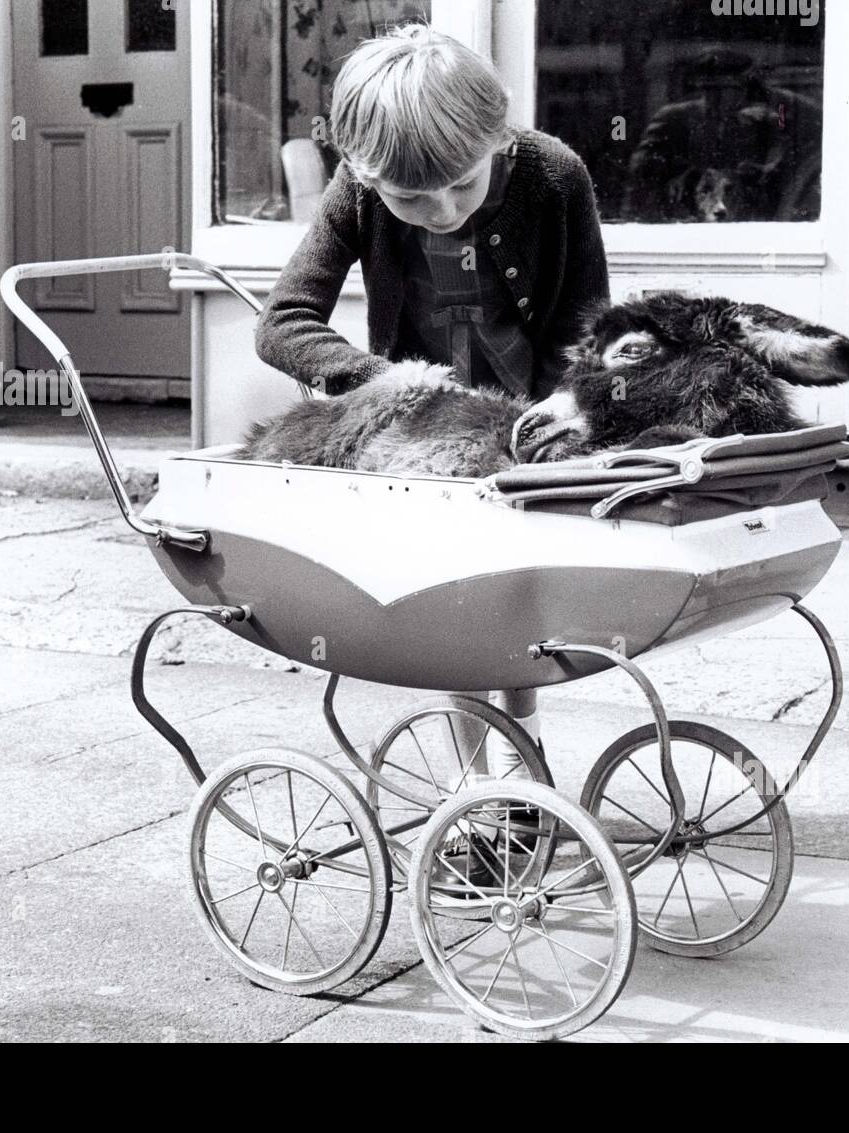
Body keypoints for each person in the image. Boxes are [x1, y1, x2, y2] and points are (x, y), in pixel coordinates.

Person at [256, 25, 610, 824]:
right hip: (427, 449)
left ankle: (514, 779)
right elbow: (283, 320)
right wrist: (386, 385)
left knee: (525, 607)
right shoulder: (355, 187)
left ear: (499, 134)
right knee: (467, 614)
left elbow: (585, 323)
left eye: (462, 183)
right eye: (411, 199)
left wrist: (563, 413)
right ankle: (489, 791)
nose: (443, 211)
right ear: (365, 170)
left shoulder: (554, 175)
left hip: (530, 435)